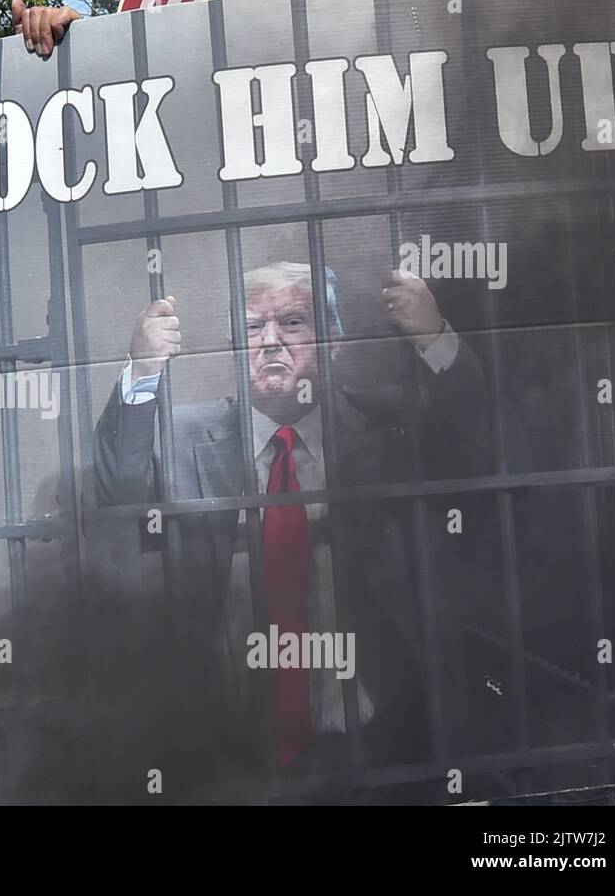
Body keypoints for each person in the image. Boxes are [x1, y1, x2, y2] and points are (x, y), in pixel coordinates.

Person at [93, 264, 492, 799]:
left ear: (333, 343)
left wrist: (433, 337)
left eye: (294, 322)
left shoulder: (393, 423)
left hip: (380, 744)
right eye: (253, 329)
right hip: (231, 752)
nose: (270, 342)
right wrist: (142, 368)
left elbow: (489, 456)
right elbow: (116, 491)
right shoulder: (185, 436)